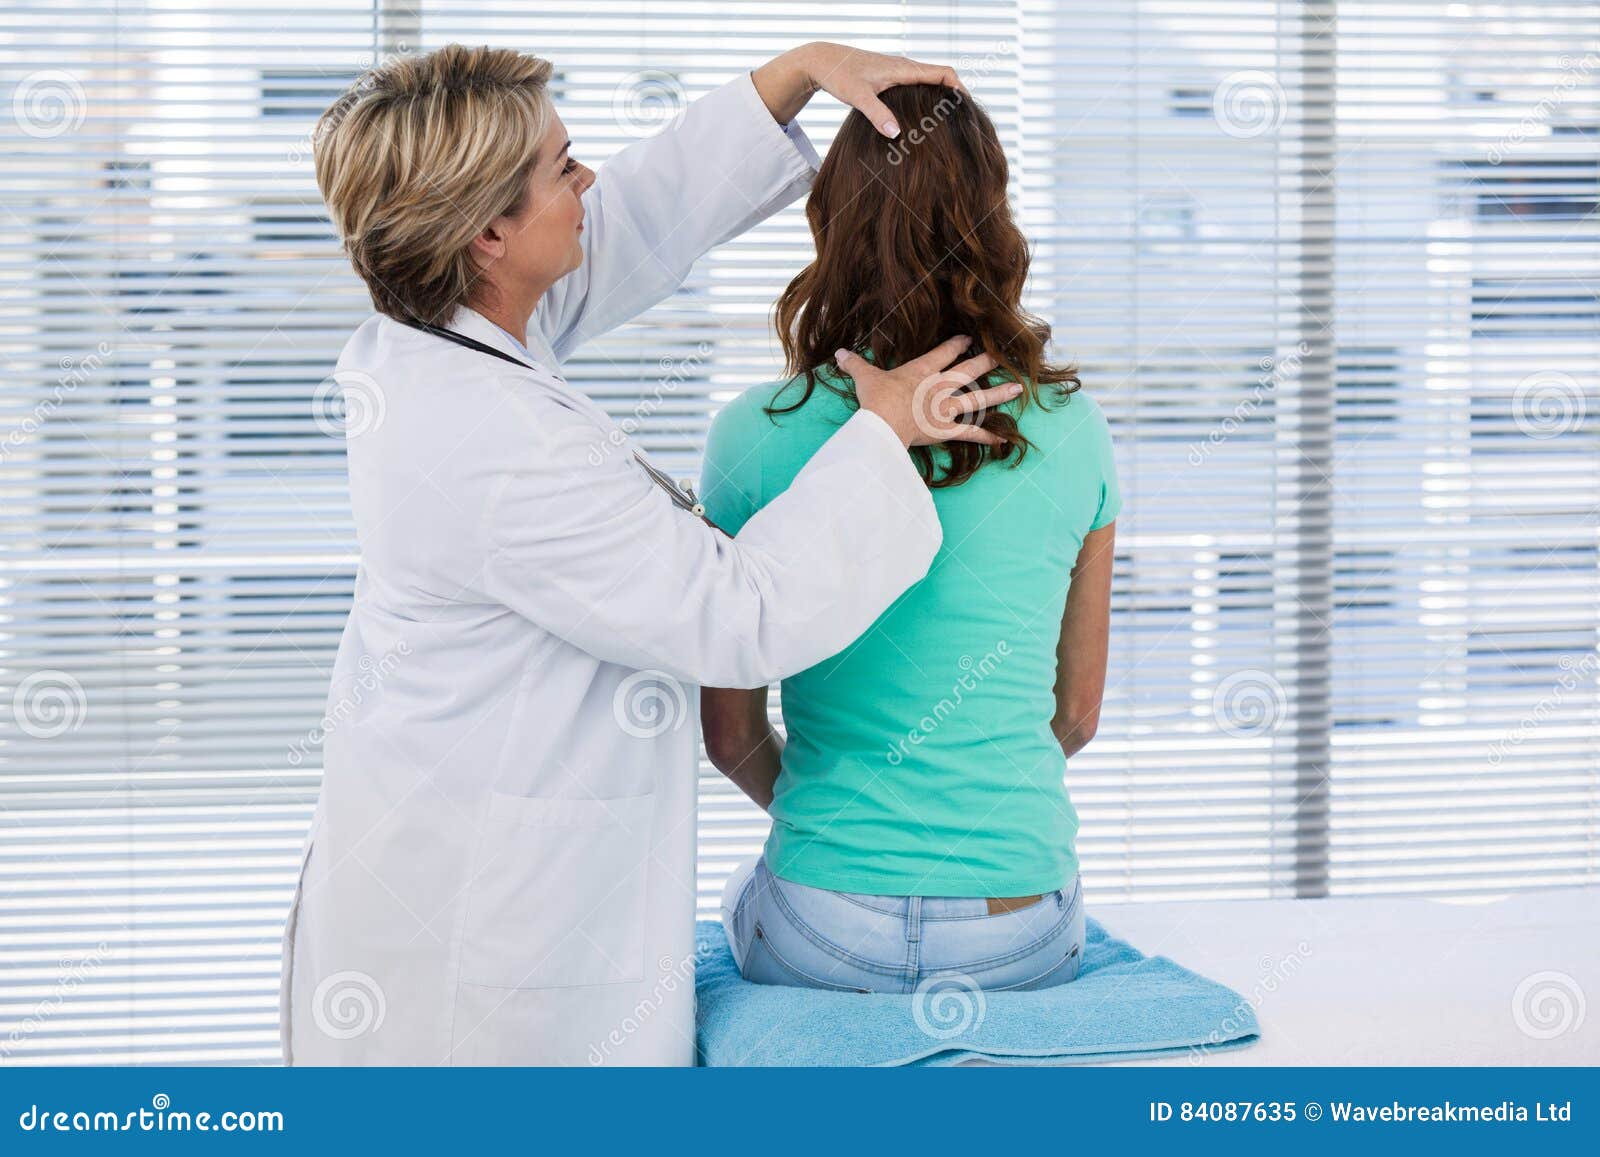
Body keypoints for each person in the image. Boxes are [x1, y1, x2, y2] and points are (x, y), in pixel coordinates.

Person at [282, 43, 1023, 1066]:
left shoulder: (446, 332)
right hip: (484, 952)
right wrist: (882, 432)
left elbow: (630, 221)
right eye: (563, 166)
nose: (588, 181)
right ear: (489, 231)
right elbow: (744, 617)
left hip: (484, 873)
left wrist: (799, 71)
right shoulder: (492, 442)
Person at [700, 84, 1122, 995]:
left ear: (830, 222)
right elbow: (1076, 717)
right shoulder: (1072, 428)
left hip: (822, 919)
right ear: (995, 220)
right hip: (1018, 929)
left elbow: (730, 737)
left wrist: (844, 832)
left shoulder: (749, 434)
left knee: (741, 903)